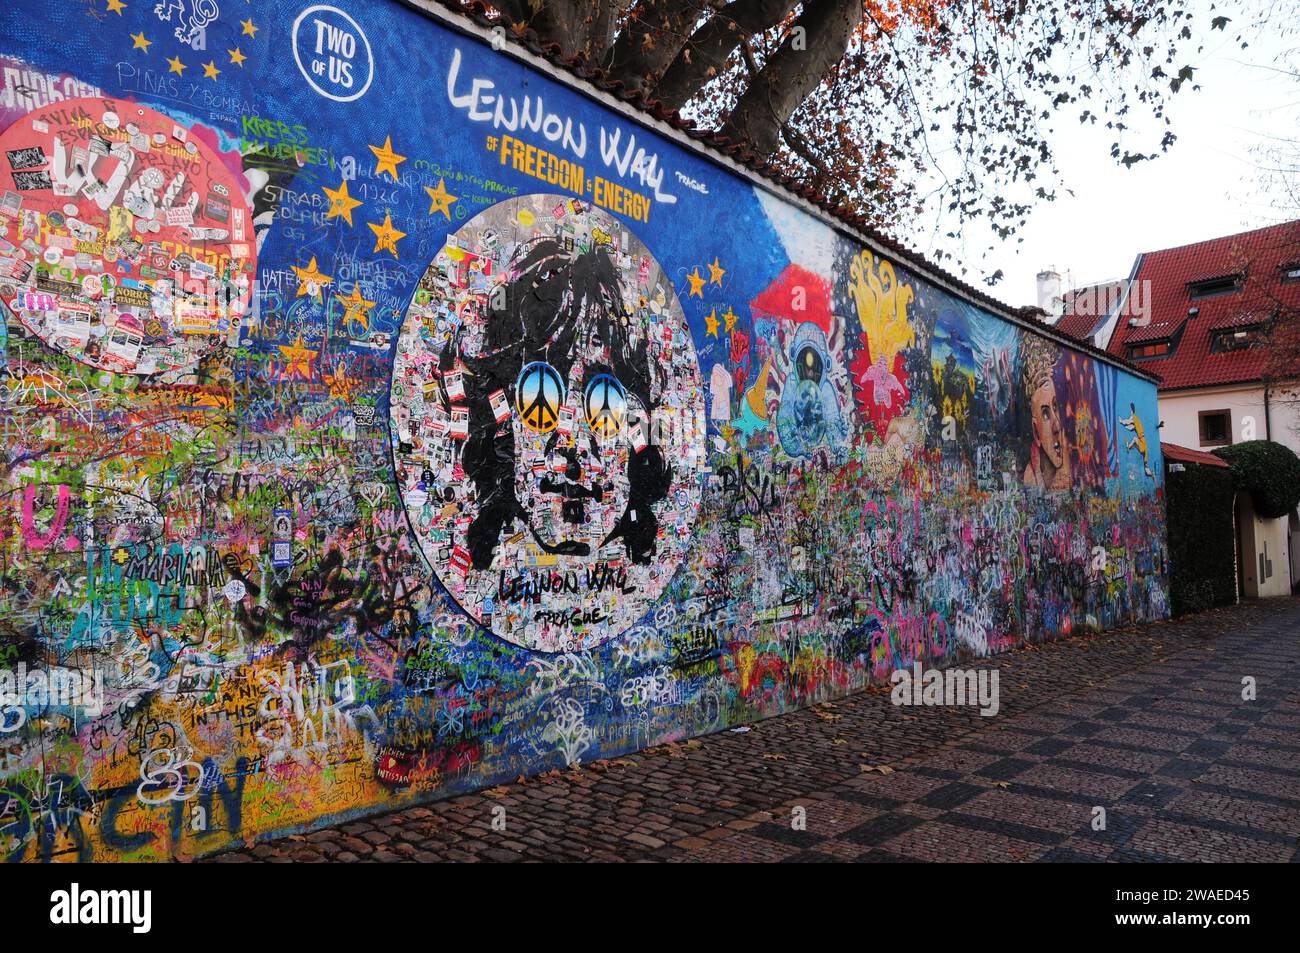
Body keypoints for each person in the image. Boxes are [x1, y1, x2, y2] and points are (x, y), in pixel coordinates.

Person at [1019, 334, 1072, 490]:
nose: (1057, 425)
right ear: (1036, 432)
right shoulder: (1031, 481)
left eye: (1055, 407)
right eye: (1045, 414)